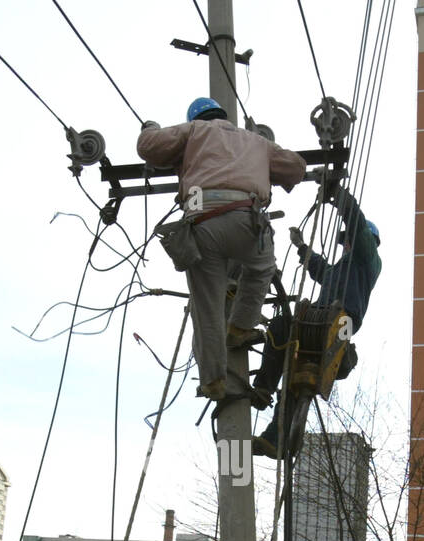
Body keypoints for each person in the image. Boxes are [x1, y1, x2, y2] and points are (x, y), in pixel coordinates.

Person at [137, 98, 306, 403]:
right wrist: (264, 158)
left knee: (208, 306)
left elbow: (149, 146)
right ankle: (241, 326)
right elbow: (296, 168)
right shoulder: (255, 141)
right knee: (261, 269)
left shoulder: (192, 131)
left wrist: (150, 126)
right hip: (248, 219)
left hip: (202, 224)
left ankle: (214, 380)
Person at [252, 181, 382, 458]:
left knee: (308, 371)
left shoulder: (368, 261)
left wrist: (338, 196)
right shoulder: (339, 269)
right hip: (318, 320)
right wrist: (302, 248)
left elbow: (357, 224)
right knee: (284, 338)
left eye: (349, 238)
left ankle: (279, 430)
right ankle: (268, 408)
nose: (345, 242)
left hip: (342, 323)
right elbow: (321, 269)